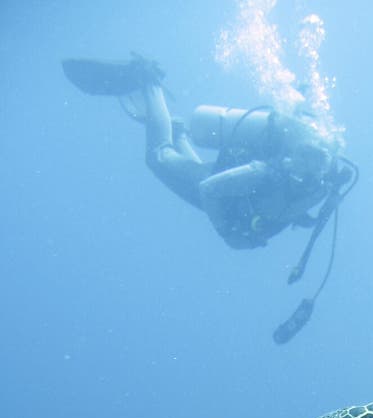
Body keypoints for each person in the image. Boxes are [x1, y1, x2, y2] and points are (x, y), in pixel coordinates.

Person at [62, 54, 357, 339]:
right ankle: (147, 81)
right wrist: (228, 233)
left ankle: (176, 130)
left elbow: (286, 208)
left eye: (317, 163)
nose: (309, 169)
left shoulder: (321, 184)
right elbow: (209, 189)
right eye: (307, 161)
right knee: (159, 157)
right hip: (226, 197)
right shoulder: (274, 173)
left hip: (233, 198)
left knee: (196, 171)